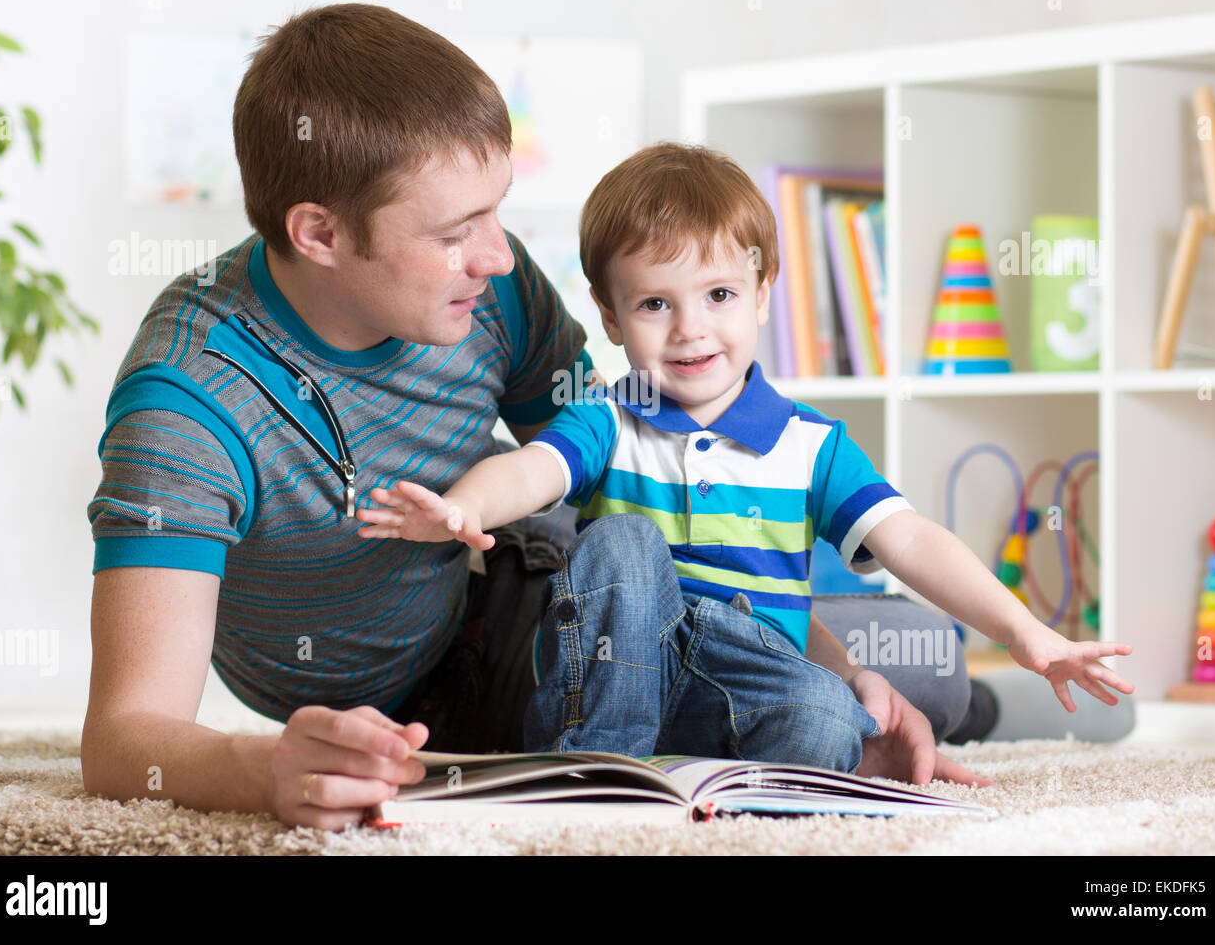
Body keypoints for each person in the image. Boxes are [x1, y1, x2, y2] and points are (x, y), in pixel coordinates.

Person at [78, 2, 1019, 835]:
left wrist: (838, 676)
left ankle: (989, 700)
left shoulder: (497, 289)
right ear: (318, 233)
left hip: (536, 605)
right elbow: (124, 741)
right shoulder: (187, 403)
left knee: (903, 672)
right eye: (454, 236)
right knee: (853, 669)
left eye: (497, 214)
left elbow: (660, 491)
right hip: (412, 699)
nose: (497, 255)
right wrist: (266, 769)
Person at [357, 142, 1136, 773]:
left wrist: (1026, 633)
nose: (691, 329)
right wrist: (462, 507)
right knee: (622, 542)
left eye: (719, 296)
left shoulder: (811, 447)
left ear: (764, 293)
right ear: (612, 316)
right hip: (618, 661)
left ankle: (726, 777)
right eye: (656, 304)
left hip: (744, 666)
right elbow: (531, 473)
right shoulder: (608, 418)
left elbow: (914, 541)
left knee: (829, 717)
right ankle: (599, 767)